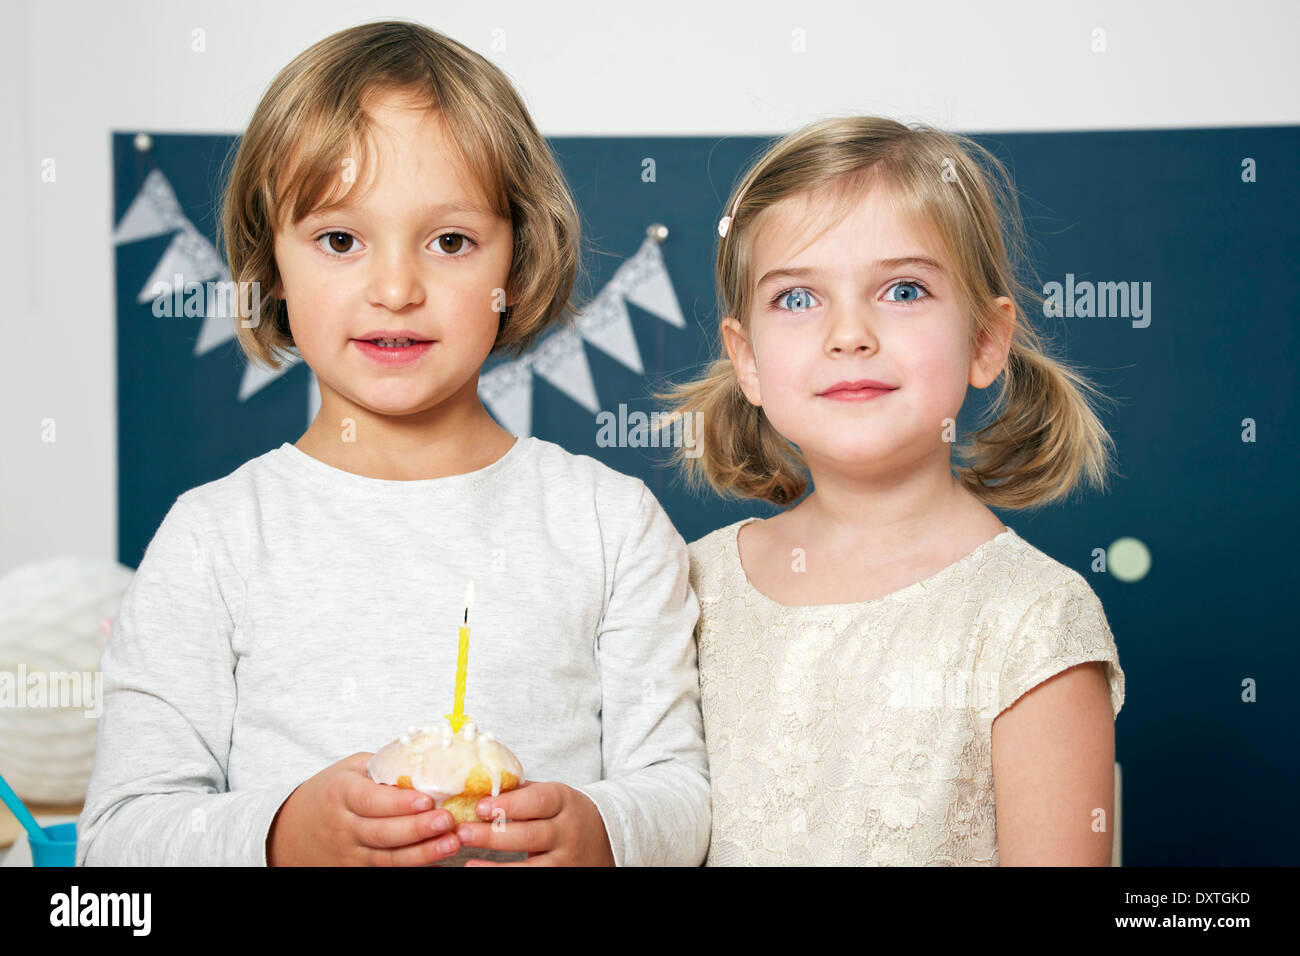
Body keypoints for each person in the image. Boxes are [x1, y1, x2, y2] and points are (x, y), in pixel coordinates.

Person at [77, 20, 708, 867]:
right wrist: (280, 836)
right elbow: (118, 838)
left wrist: (603, 831)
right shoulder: (212, 539)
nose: (397, 289)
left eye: (451, 242)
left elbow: (678, 790)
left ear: (514, 267)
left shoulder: (610, 524)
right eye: (340, 240)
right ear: (271, 268)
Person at [658, 116, 1125, 865]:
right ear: (746, 360)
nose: (850, 334)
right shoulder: (687, 586)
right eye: (798, 299)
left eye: (903, 290)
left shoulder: (1034, 620)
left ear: (985, 340)